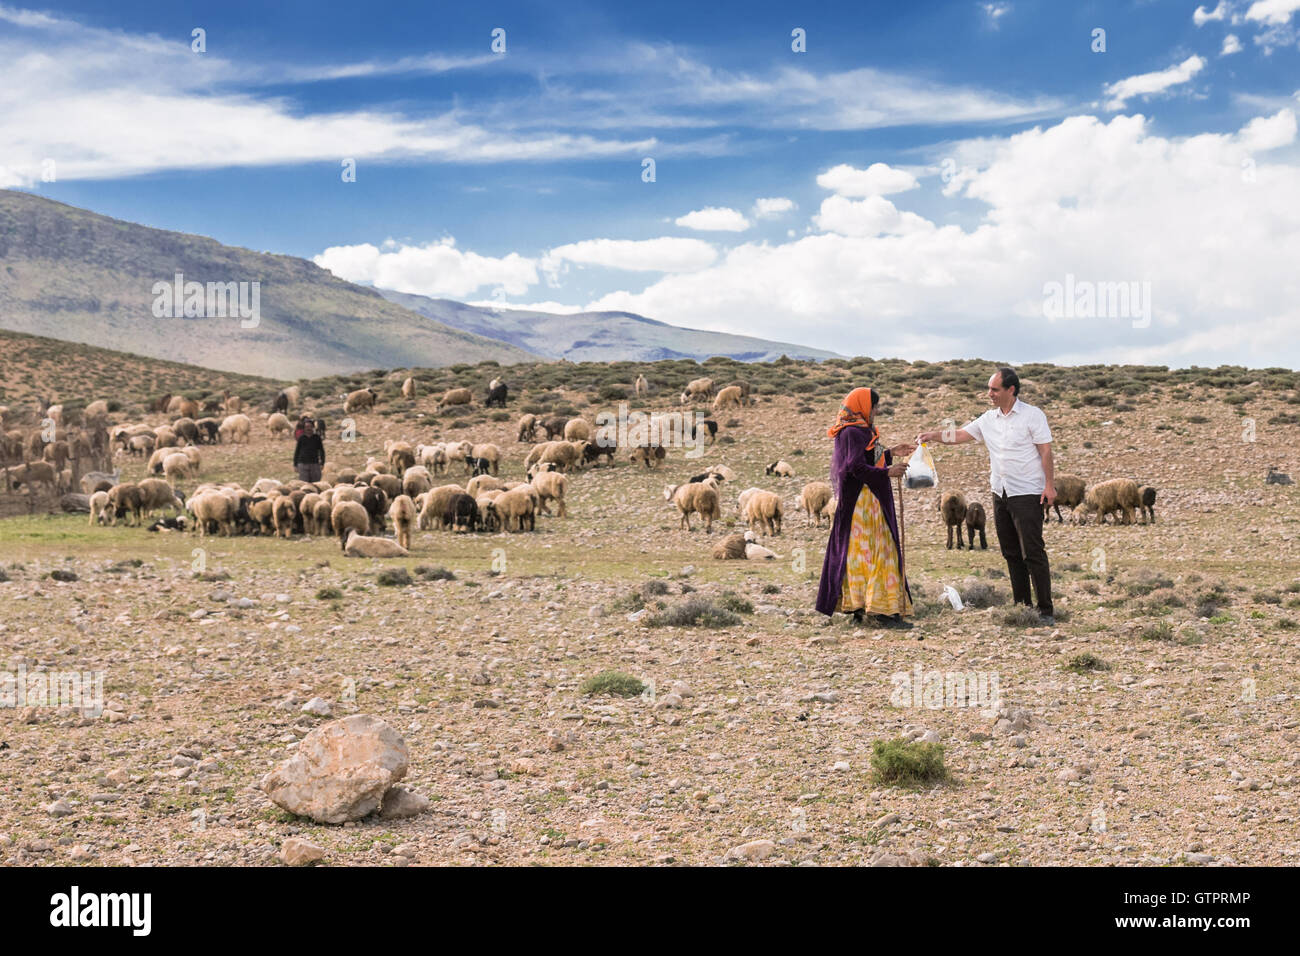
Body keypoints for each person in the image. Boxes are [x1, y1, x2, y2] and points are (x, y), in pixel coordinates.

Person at [917, 366, 1056, 624]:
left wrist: (1049, 485)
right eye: (989, 389)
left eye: (994, 389)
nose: (989, 394)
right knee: (1011, 552)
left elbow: (1045, 451)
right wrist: (932, 436)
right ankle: (1022, 606)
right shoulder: (988, 419)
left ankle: (1046, 610)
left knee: (1033, 552)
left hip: (1027, 492)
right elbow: (959, 435)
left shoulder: (1032, 416)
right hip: (1000, 492)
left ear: (1010, 390)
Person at [816, 387, 917, 629]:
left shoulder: (858, 430)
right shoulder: (852, 432)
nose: (877, 411)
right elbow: (855, 467)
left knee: (861, 554)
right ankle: (881, 611)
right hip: (864, 503)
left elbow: (868, 458)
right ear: (863, 405)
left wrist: (891, 453)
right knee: (878, 551)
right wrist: (887, 472)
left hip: (865, 500)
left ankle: (861, 607)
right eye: (874, 406)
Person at [293, 417, 325, 483]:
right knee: (304, 484)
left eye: (310, 426)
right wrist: (295, 465)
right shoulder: (301, 438)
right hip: (302, 464)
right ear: (304, 428)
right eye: (306, 426)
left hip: (315, 464)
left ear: (313, 427)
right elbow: (297, 451)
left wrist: (322, 463)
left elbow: (321, 451)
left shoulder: (317, 438)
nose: (308, 428)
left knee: (316, 484)